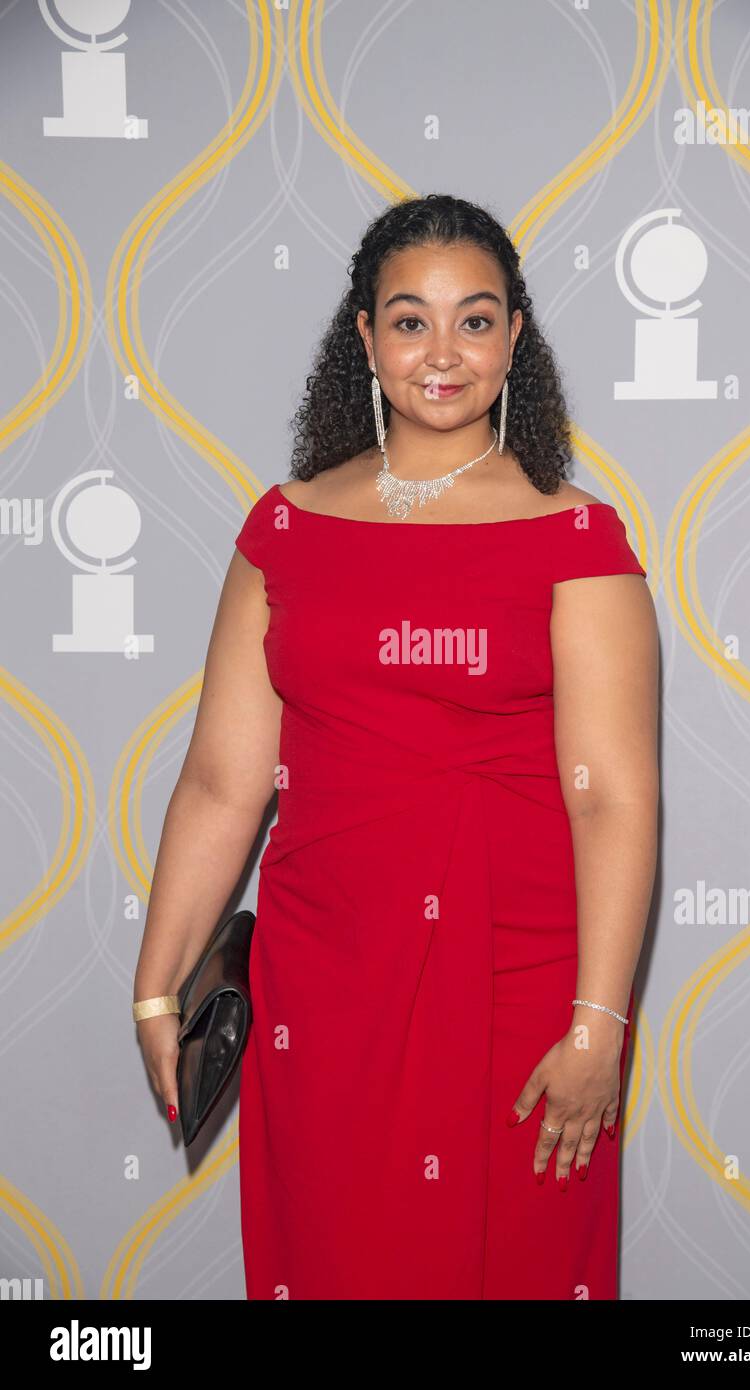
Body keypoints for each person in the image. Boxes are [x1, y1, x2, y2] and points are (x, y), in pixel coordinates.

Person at [133, 193, 659, 1301]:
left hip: (520, 980)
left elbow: (609, 795)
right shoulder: (282, 528)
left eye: (473, 320)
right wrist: (155, 986)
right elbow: (226, 780)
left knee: (512, 1262)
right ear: (363, 337)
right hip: (322, 979)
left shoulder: (574, 535)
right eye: (408, 319)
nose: (441, 352)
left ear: (514, 336)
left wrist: (598, 1021)